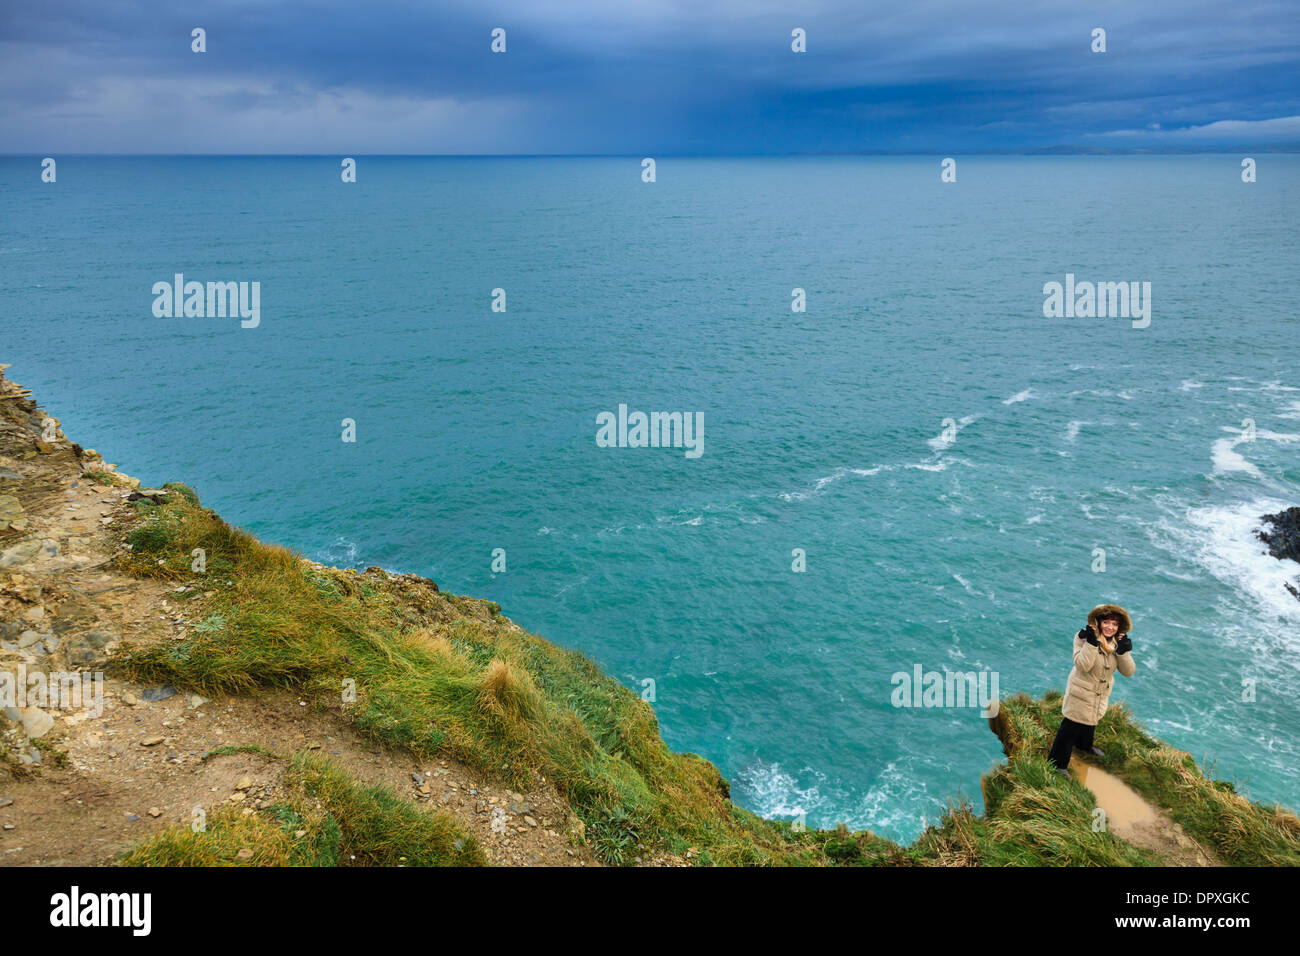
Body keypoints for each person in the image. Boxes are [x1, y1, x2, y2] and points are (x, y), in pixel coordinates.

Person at [1048, 603, 1137, 775]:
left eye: (1114, 624)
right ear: (1098, 622)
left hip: (1100, 692)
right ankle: (1057, 763)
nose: (1110, 627)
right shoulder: (1082, 637)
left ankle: (1084, 745)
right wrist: (1091, 643)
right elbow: (1083, 666)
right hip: (1081, 691)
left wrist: (1124, 652)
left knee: (1091, 721)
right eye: (1106, 622)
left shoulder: (1118, 644)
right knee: (1070, 728)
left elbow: (1128, 672)